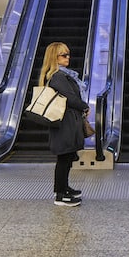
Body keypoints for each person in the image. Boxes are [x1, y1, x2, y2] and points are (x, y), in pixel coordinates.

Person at [40, 42, 88, 206]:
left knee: (67, 157)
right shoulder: (58, 76)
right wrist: (84, 106)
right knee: (64, 157)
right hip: (63, 122)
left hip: (68, 121)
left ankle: (65, 188)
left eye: (68, 54)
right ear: (54, 57)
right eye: (63, 55)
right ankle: (60, 194)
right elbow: (70, 97)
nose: (68, 57)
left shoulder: (64, 75)